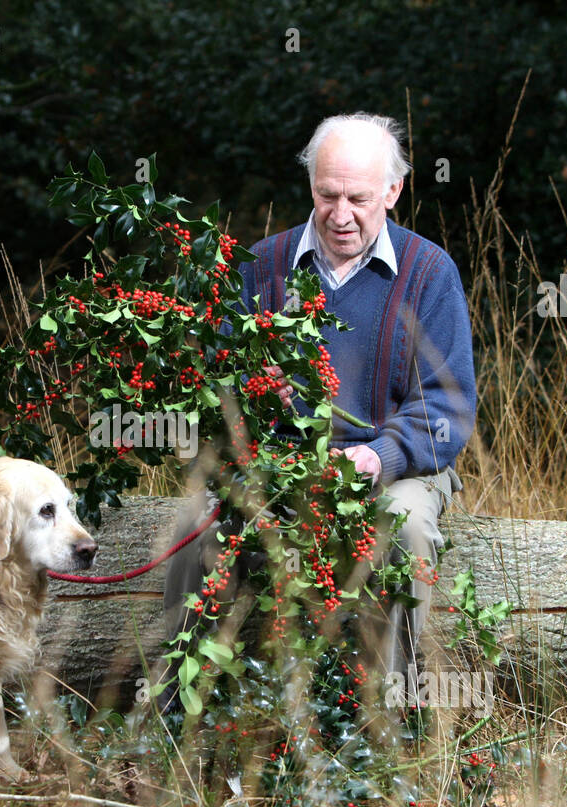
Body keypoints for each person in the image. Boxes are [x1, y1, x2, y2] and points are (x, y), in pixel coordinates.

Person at [159, 112, 477, 706]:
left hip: (394, 468)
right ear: (311, 186)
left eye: (358, 198)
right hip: (277, 466)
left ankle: (395, 723)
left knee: (404, 526)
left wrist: (378, 456)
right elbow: (214, 386)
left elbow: (447, 408)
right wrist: (250, 392)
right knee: (193, 526)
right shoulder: (261, 265)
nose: (341, 215)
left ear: (392, 191)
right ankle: (182, 713)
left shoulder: (430, 273)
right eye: (327, 195)